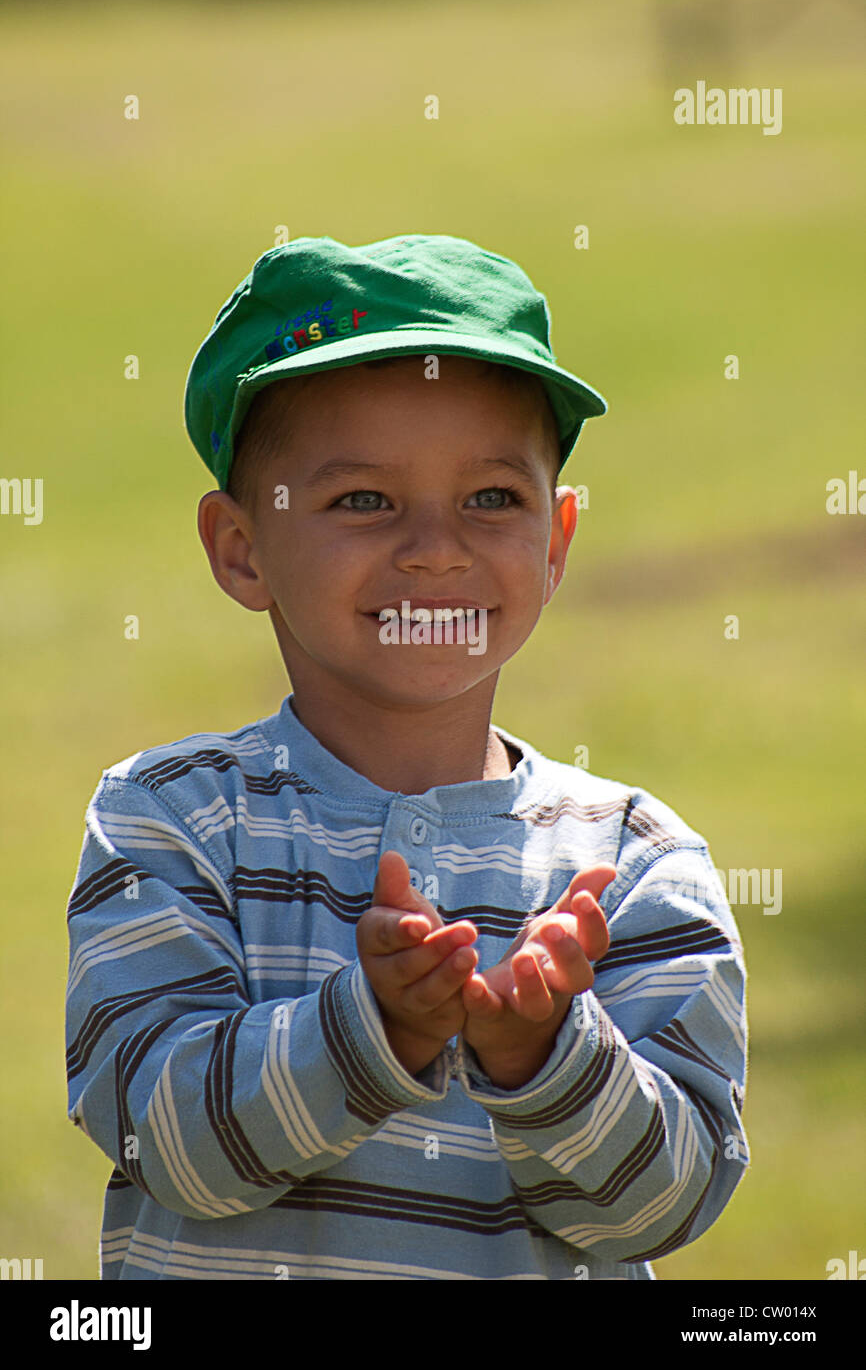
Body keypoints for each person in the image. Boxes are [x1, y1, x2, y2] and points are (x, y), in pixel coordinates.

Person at [65, 233, 749, 1280]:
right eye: (362, 500)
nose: (436, 546)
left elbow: (662, 1206)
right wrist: (368, 1030)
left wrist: (543, 1056)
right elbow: (167, 1145)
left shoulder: (633, 862)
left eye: (490, 499)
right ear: (240, 548)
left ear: (555, 540)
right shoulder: (170, 820)